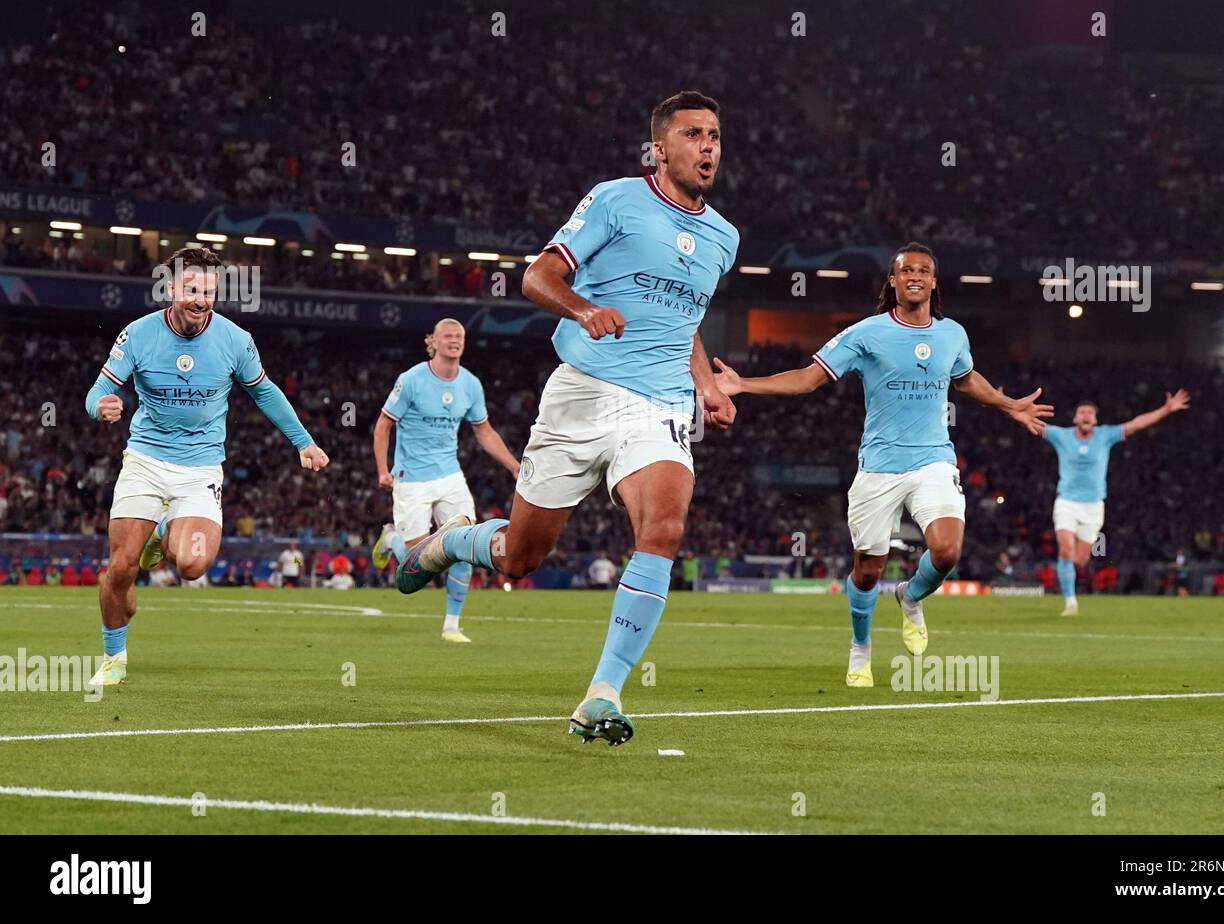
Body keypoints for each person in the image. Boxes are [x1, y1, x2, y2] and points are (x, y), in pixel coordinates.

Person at [395, 90, 738, 746]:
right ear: (660, 148)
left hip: (660, 406)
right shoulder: (615, 199)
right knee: (520, 557)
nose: (707, 147)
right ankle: (444, 544)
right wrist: (584, 310)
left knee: (663, 527)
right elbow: (536, 276)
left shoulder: (724, 238)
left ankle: (601, 694)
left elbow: (685, 322)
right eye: (693, 135)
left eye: (715, 136)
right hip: (581, 393)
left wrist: (705, 387)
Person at [714, 242, 1051, 688]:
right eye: (905, 269)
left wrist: (1010, 406)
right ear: (892, 281)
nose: (915, 275)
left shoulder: (953, 334)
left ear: (934, 281)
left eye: (923, 270)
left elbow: (966, 379)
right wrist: (744, 384)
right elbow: (808, 378)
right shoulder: (866, 333)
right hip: (879, 466)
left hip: (933, 459)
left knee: (948, 551)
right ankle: (861, 648)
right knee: (868, 569)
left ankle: (910, 596)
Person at [84, 247, 329, 686]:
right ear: (172, 288)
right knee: (121, 569)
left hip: (200, 470)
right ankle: (114, 656)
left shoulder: (236, 340)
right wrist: (99, 407)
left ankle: (160, 533)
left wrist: (304, 442)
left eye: (210, 292)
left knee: (193, 565)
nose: (201, 300)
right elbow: (99, 390)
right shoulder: (138, 335)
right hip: (146, 459)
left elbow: (265, 392)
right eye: (192, 290)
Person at [370, 320, 519, 643]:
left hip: (450, 475)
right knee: (417, 567)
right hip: (412, 479)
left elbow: (483, 430)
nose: (454, 341)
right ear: (433, 342)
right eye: (447, 336)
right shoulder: (411, 380)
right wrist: (383, 469)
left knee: (464, 547)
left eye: (459, 336)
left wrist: (512, 466)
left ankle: (452, 625)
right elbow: (383, 425)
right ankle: (391, 537)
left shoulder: (470, 385)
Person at [1041, 391, 1189, 615]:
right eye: (1082, 412)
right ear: (1074, 418)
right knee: (1065, 548)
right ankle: (1070, 602)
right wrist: (1005, 405)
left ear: (1096, 419)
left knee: (1080, 560)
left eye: (1090, 413)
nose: (1086, 415)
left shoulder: (1105, 435)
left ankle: (1067, 571)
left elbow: (1136, 424)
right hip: (1067, 502)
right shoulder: (1061, 435)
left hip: (1093, 506)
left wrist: (1165, 410)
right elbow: (1031, 424)